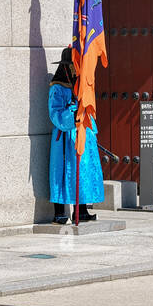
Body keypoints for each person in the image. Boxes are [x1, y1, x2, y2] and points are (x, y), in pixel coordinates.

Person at [48, 48, 104, 225]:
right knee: (63, 172)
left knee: (84, 171)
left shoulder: (81, 85)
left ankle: (82, 210)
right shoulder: (57, 87)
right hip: (66, 136)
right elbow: (54, 113)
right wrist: (73, 115)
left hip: (83, 133)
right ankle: (59, 212)